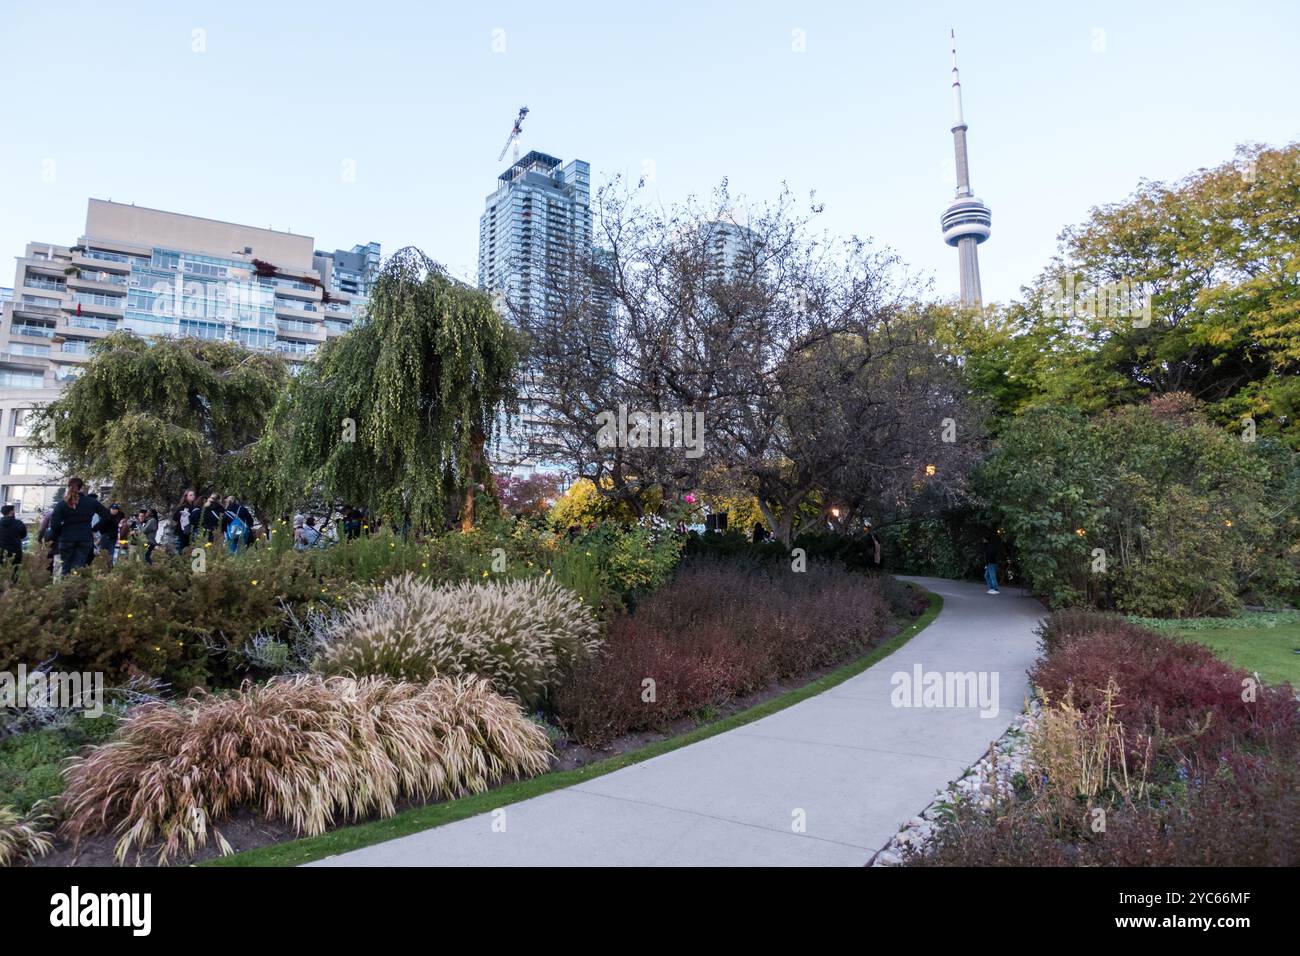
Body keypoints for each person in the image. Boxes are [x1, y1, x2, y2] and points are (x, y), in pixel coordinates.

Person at [46, 477, 115, 575]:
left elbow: (54, 524)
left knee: (65, 568)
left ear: (68, 487)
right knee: (78, 568)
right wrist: (94, 529)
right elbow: (107, 516)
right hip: (85, 537)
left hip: (67, 538)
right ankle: (76, 586)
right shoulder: (91, 502)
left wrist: (61, 533)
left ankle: (65, 588)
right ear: (81, 488)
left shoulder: (62, 505)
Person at [0, 504, 26, 582]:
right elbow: (23, 535)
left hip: (1, 551)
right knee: (15, 572)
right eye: (14, 511)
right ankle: (12, 590)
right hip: (15, 551)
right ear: (11, 512)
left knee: (1, 571)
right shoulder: (19, 523)